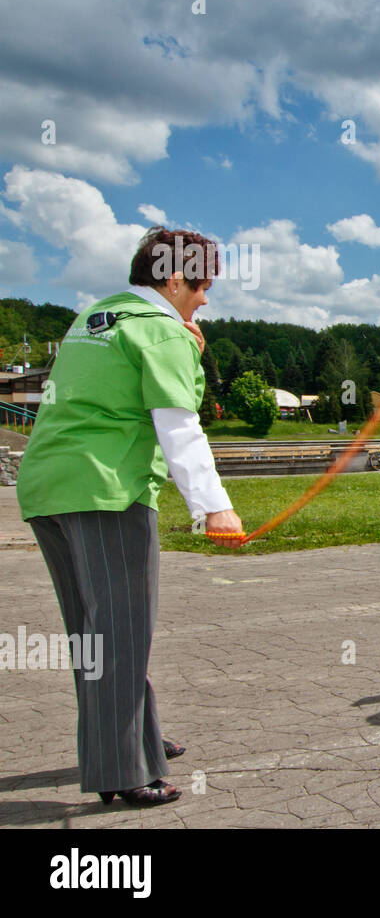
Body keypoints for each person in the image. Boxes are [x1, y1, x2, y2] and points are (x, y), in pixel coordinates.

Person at [17, 226, 243, 807]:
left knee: (95, 632)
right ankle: (121, 772)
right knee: (119, 634)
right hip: (106, 489)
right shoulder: (160, 330)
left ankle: (137, 738)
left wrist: (185, 347)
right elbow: (178, 424)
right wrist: (214, 509)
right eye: (202, 285)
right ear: (173, 279)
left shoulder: (96, 317)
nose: (206, 298)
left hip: (47, 486)